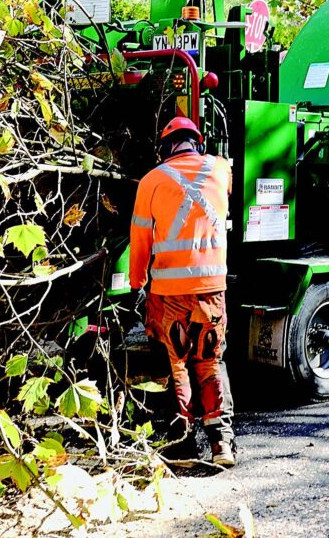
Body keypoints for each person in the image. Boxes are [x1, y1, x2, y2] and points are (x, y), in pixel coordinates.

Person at [129, 116, 236, 468]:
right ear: (197, 142)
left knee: (176, 366)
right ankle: (221, 444)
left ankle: (183, 446)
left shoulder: (150, 181)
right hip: (211, 293)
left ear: (165, 147)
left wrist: (136, 284)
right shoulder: (221, 169)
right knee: (209, 362)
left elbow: (140, 240)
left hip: (169, 295)